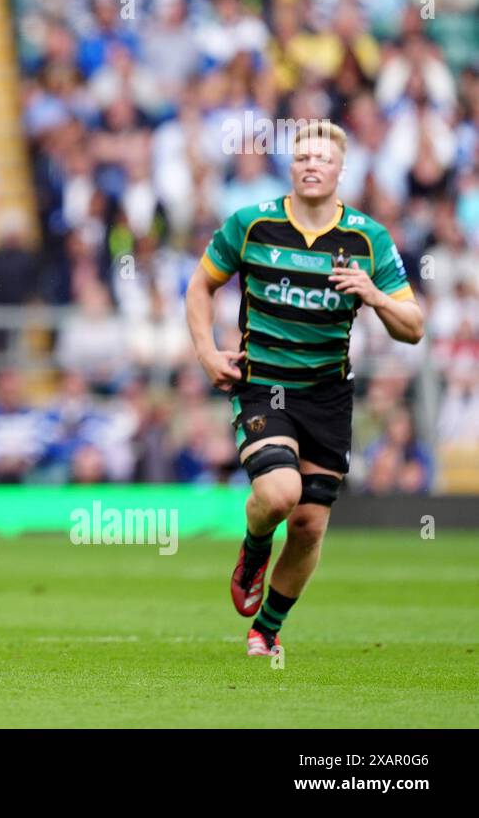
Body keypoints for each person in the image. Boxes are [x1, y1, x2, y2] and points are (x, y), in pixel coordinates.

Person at [184, 120, 423, 657]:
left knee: (311, 525)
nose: (312, 165)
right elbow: (201, 284)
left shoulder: (368, 239)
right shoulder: (251, 224)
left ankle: (266, 631)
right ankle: (253, 548)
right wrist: (206, 353)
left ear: (342, 170)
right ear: (290, 168)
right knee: (279, 494)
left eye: (323, 158)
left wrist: (375, 296)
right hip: (264, 384)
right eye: (302, 157)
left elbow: (414, 327)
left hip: (328, 395)